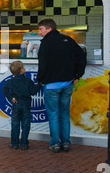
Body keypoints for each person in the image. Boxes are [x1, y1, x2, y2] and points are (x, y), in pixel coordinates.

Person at [37, 18, 86, 153]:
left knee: (53, 115)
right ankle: (66, 143)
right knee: (64, 114)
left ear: (49, 29)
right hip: (67, 84)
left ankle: (55, 143)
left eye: (41, 29)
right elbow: (81, 56)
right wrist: (77, 75)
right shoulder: (68, 40)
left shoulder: (46, 43)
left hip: (51, 86)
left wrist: (40, 79)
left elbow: (43, 64)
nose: (39, 32)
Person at [2, 60, 41, 150]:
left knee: (15, 124)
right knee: (26, 124)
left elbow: (4, 90)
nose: (24, 68)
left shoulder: (11, 81)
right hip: (26, 105)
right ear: (22, 70)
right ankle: (24, 144)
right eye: (23, 67)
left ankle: (14, 143)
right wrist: (39, 85)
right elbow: (33, 92)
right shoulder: (28, 81)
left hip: (16, 105)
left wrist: (11, 97)